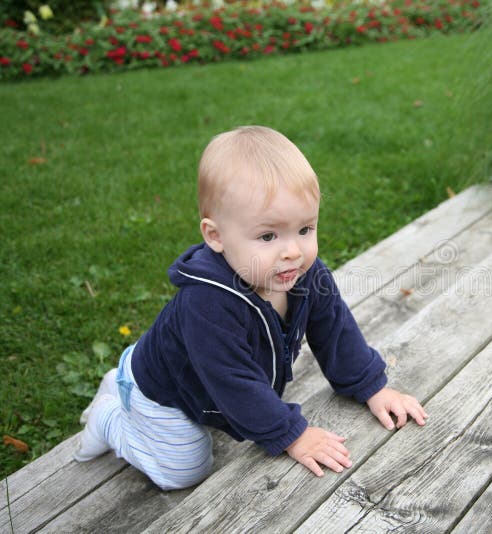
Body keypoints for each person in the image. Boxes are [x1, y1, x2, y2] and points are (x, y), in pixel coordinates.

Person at [74, 125, 427, 490]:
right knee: (184, 471)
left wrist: (371, 386)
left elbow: (334, 329)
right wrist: (292, 434)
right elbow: (233, 379)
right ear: (216, 236)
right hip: (166, 390)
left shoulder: (303, 274)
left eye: (305, 229)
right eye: (268, 236)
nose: (292, 250)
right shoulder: (207, 302)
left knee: (232, 420)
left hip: (207, 385)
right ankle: (112, 415)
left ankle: (122, 383)